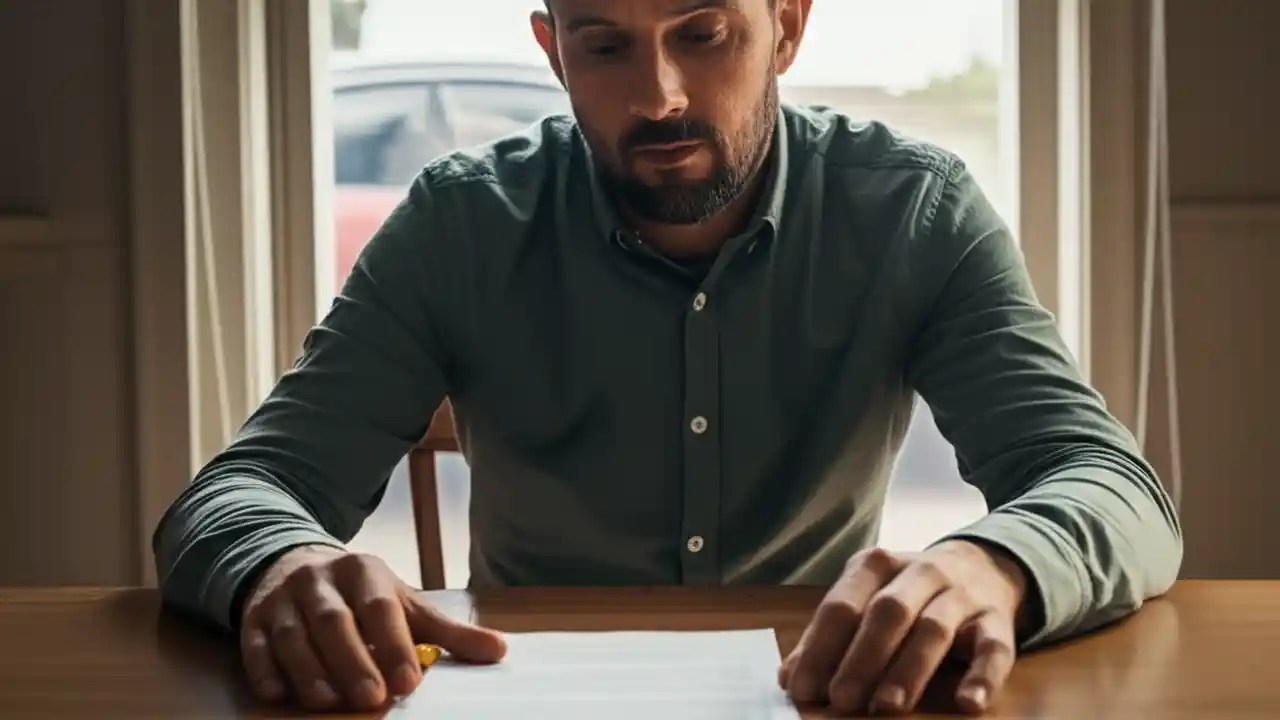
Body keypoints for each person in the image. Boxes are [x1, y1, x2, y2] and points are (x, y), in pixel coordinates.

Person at [153, 0, 1183, 715]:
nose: (658, 97)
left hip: (822, 693)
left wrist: (992, 563)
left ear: (785, 25)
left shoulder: (908, 210)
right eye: (605, 48)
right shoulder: (459, 224)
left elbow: (1110, 487)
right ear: (552, 51)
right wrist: (281, 563)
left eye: (703, 34)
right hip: (529, 700)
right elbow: (240, 492)